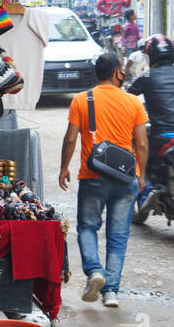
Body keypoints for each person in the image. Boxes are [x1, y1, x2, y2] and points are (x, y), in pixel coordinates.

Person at [59, 54, 148, 308]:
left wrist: (64, 167)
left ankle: (94, 270)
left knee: (87, 228)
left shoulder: (81, 100)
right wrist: (141, 175)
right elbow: (141, 143)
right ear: (118, 72)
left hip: (92, 176)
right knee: (118, 236)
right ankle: (111, 292)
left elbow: (70, 138)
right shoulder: (133, 102)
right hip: (125, 178)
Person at [128, 34, 174, 208]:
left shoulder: (147, 76)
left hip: (162, 135)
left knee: (137, 153)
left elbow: (126, 99)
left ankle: (147, 188)